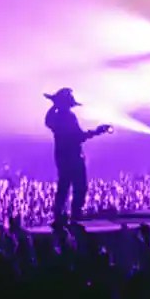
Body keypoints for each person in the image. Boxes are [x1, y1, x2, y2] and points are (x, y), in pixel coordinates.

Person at [43, 88, 111, 225]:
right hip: (73, 157)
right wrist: (97, 131)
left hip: (62, 157)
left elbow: (48, 121)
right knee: (79, 186)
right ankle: (75, 214)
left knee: (63, 186)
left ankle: (59, 215)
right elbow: (79, 137)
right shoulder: (69, 117)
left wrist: (54, 105)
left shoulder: (56, 117)